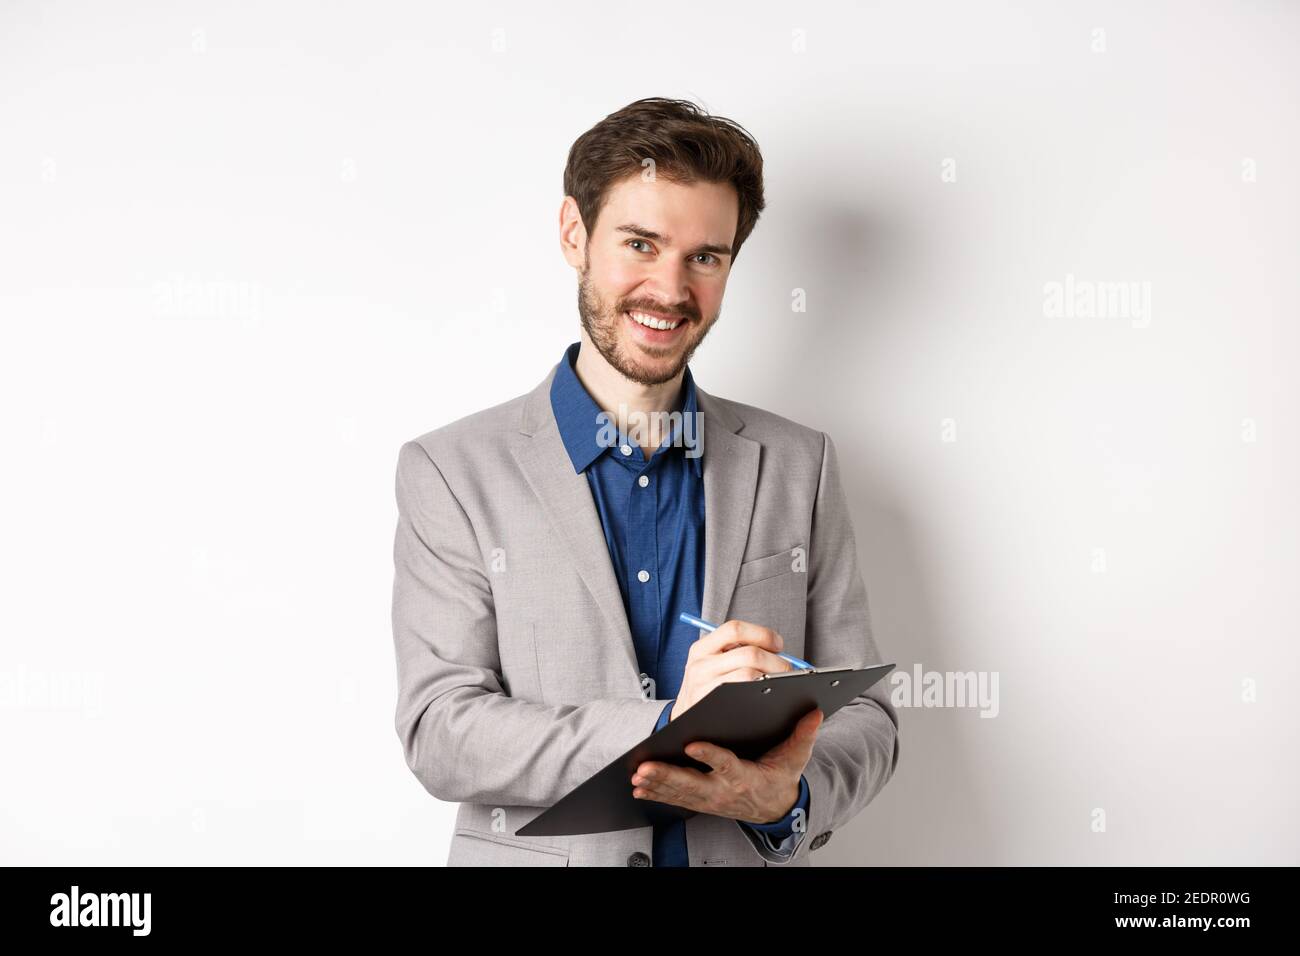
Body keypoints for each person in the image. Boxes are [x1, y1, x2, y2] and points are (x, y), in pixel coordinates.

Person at [391, 97, 899, 866]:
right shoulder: (452, 471)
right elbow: (440, 731)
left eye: (706, 257)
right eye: (640, 244)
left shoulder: (802, 463)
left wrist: (786, 800)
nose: (670, 289)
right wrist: (662, 725)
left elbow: (867, 715)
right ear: (574, 233)